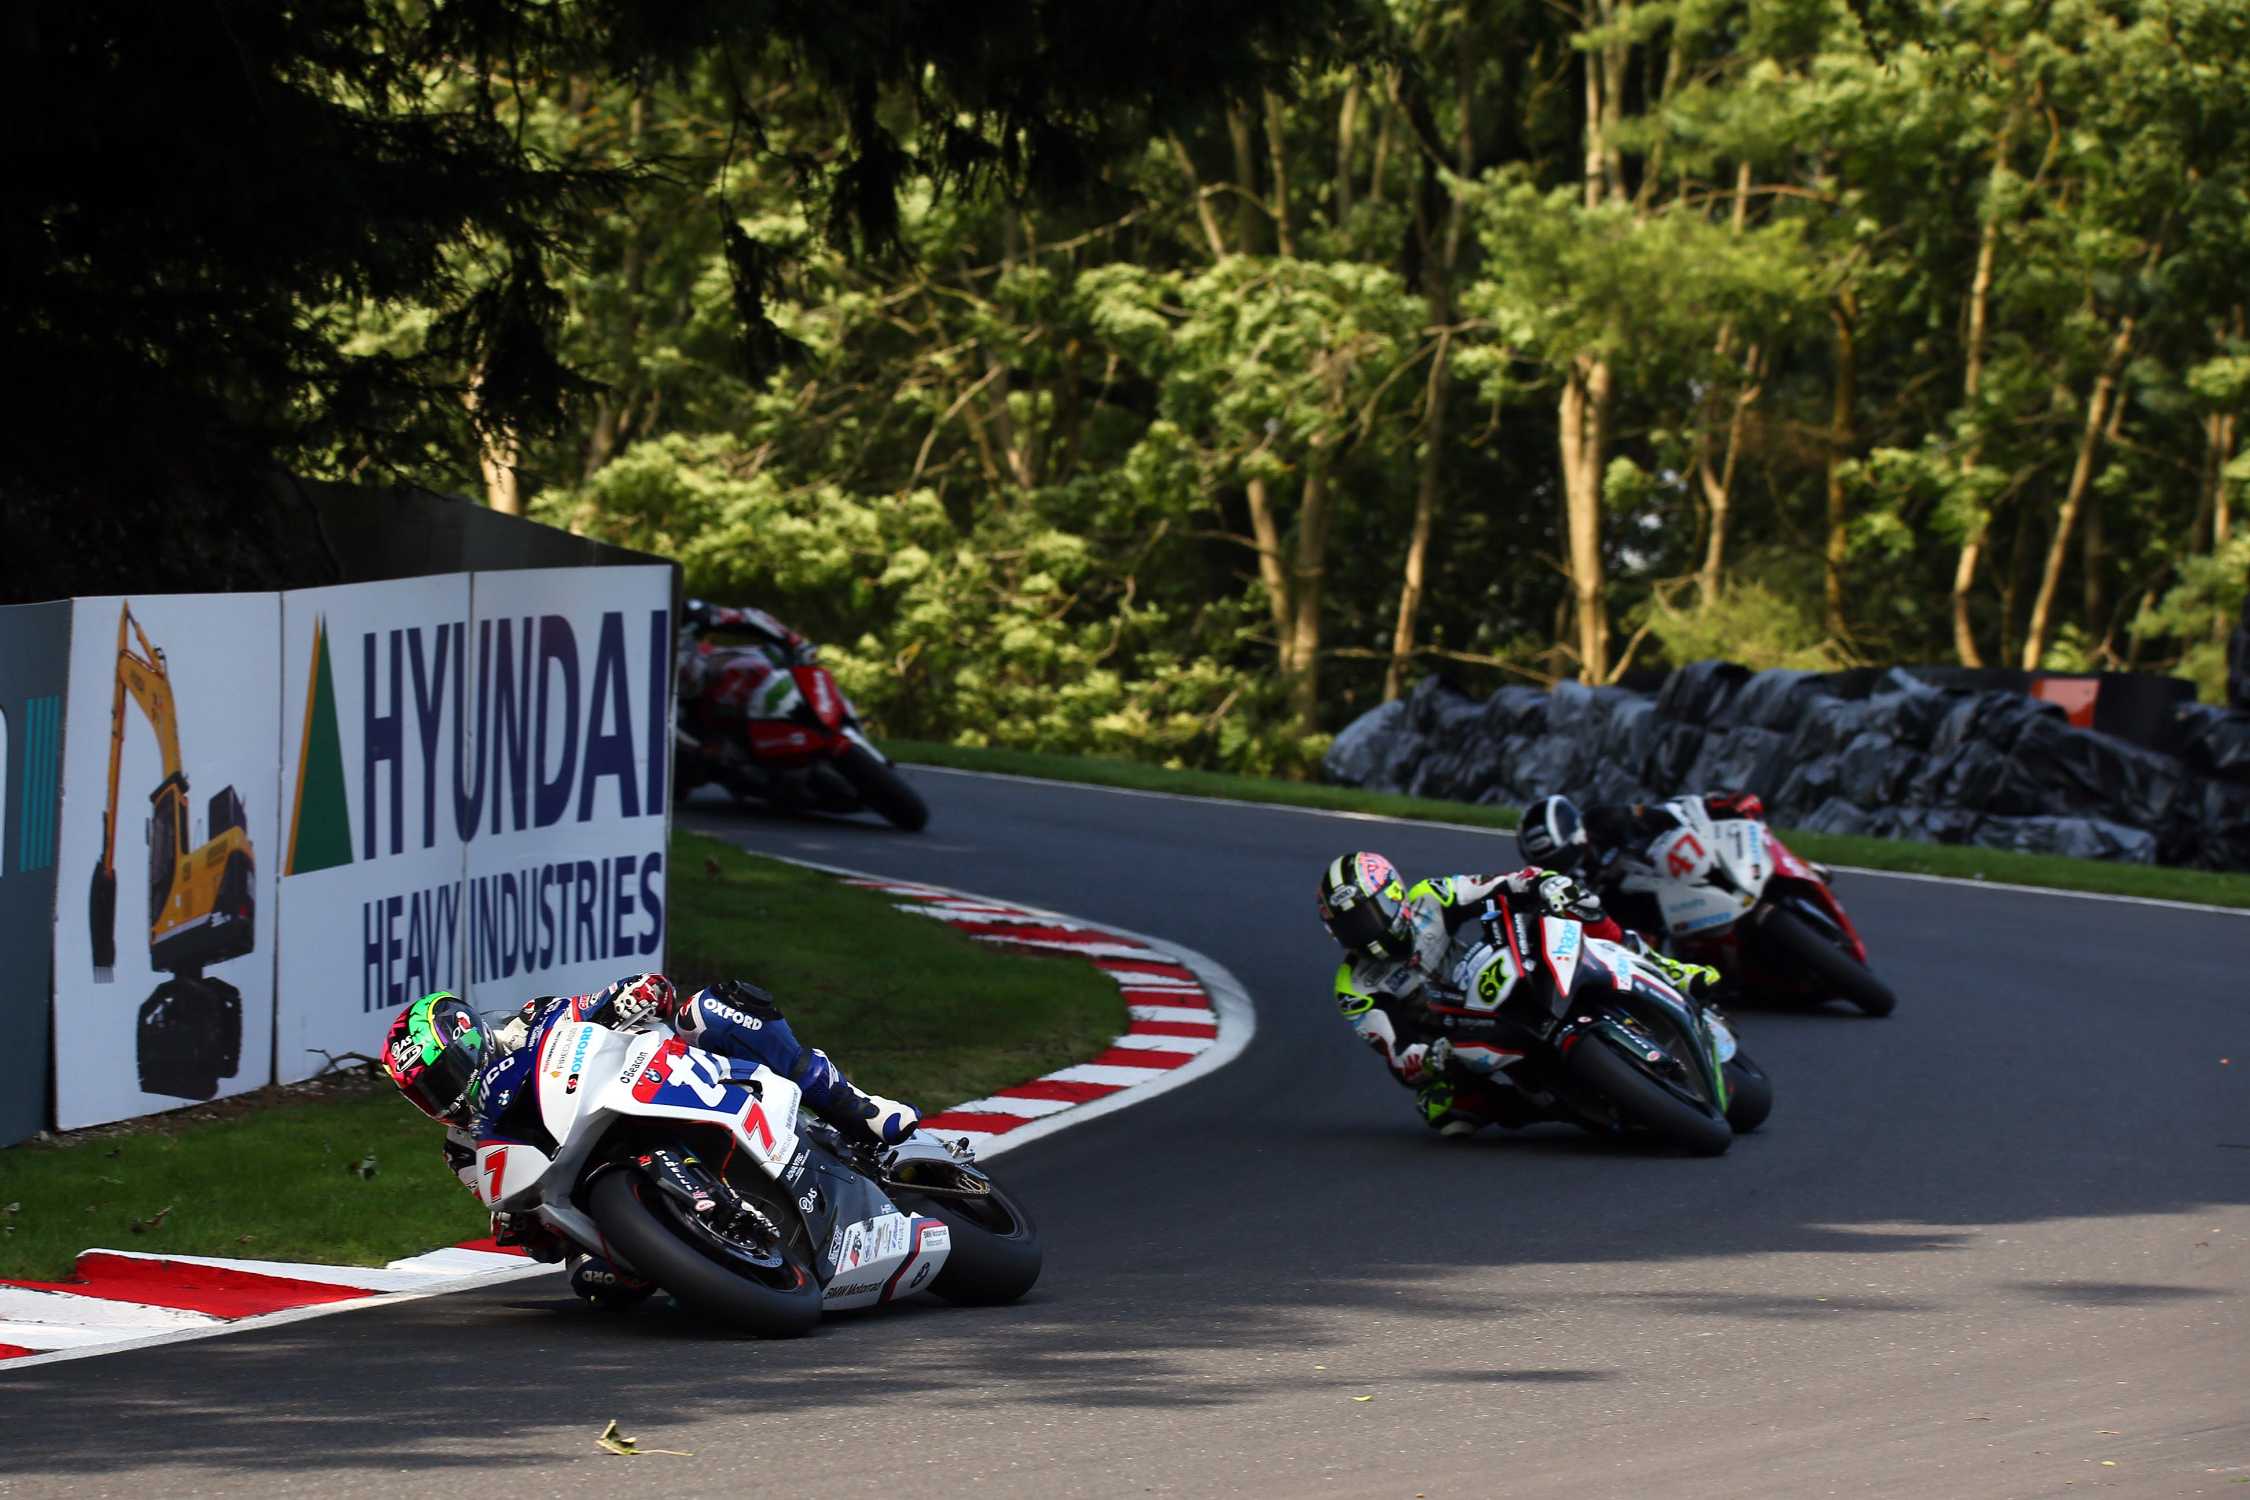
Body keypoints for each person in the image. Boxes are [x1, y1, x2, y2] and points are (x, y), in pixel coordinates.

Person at [381, 975, 919, 1304]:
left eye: (444, 1074)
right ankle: (714, 1259)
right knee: (595, 1284)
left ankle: (859, 1108)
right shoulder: (462, 1148)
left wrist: (635, 996)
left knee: (711, 1010)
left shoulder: (533, 1021)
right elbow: (527, 1231)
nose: (443, 1094)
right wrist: (518, 1224)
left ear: (469, 1040)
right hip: (588, 1183)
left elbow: (635, 992)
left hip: (658, 1086)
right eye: (427, 1092)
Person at [1316, 852, 1718, 1138]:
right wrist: (1428, 1057)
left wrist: (1544, 882)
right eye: (1351, 928)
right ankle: (1549, 1107)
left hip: (1498, 973)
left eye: (1366, 917)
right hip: (1457, 1035)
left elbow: (1498, 885)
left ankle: (1667, 968)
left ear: (1393, 896)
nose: (1364, 935)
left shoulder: (1431, 897)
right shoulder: (1355, 986)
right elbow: (1397, 1053)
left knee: (1579, 904)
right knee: (1442, 1109)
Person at [1516, 791, 1775, 942]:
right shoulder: (1563, 889)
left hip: (1674, 868)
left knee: (1725, 804)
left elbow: (1655, 813)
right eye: (1552, 861)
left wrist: (1652, 828)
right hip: (1658, 914)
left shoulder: (1601, 819)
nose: (1561, 863)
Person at [676, 598, 808, 706]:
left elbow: (749, 618)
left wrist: (794, 642)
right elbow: (750, 618)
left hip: (698, 702)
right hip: (686, 694)